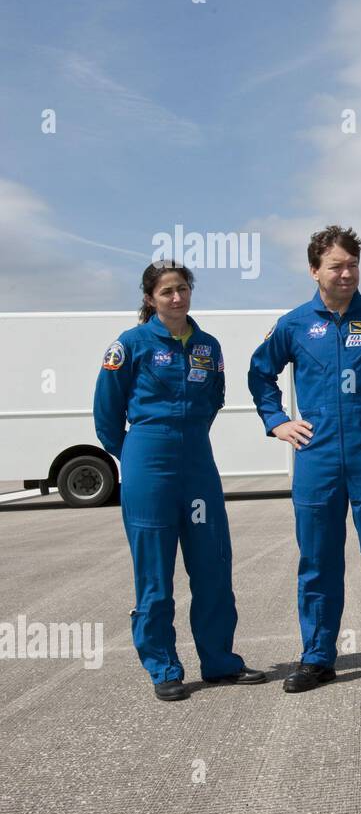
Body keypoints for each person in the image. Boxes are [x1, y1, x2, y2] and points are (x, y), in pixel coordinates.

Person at [248, 226, 361, 692]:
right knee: (318, 561)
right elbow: (260, 373)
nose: (346, 274)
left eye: (352, 265)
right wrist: (277, 420)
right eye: (335, 266)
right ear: (314, 270)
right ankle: (318, 656)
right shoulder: (294, 324)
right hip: (316, 457)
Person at [94, 261, 265, 701]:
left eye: (183, 289)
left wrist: (187, 439)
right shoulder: (130, 344)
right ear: (150, 298)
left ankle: (220, 661)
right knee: (154, 570)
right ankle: (163, 666)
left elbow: (214, 399)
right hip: (148, 460)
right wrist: (135, 455)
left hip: (197, 462)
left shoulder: (208, 345)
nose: (177, 297)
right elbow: (106, 414)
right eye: (167, 291)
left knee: (212, 563)